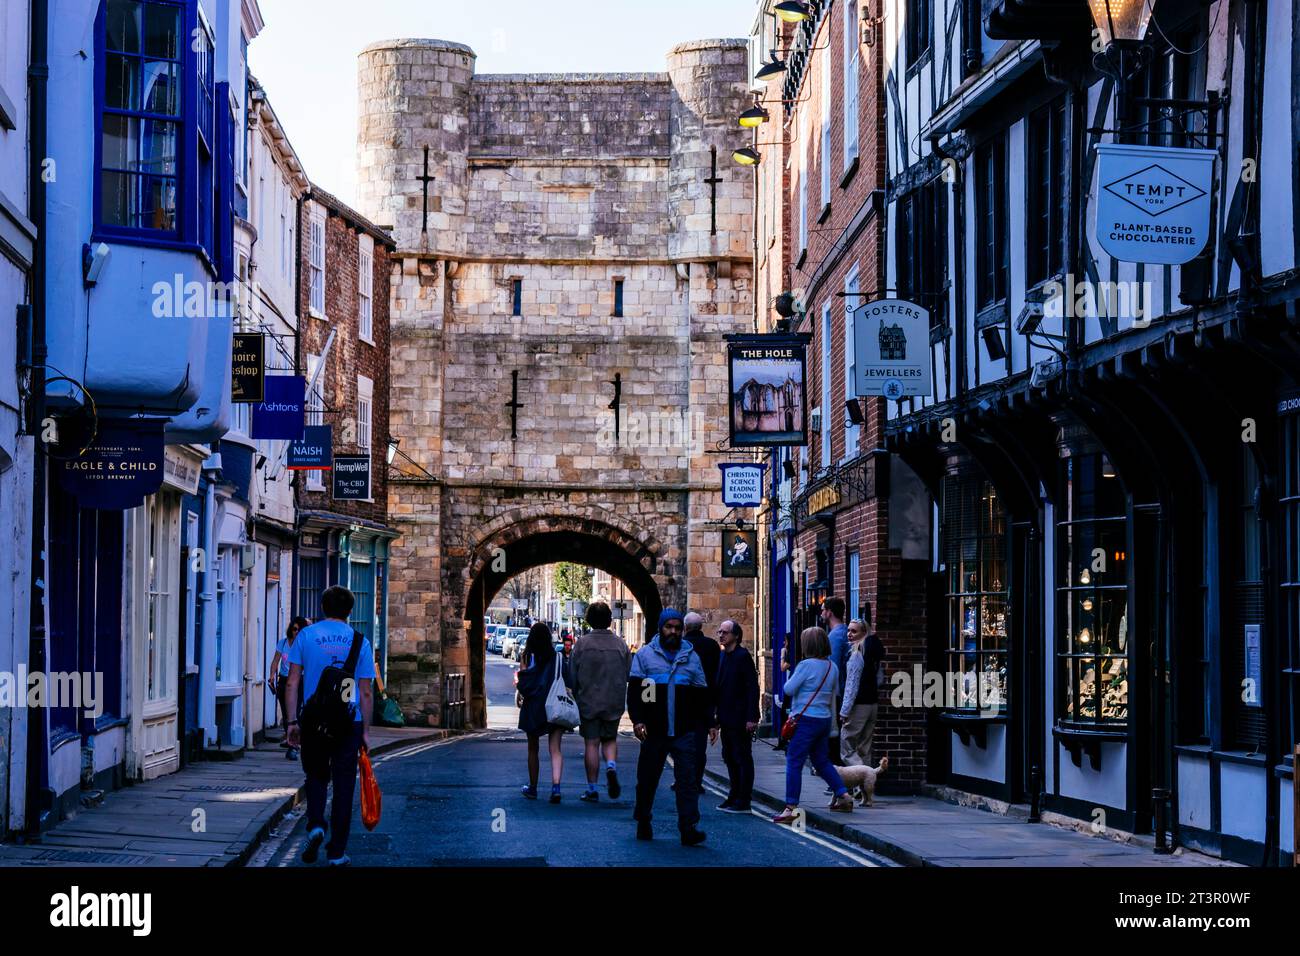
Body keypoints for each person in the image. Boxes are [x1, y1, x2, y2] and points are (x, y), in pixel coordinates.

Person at [285, 588, 375, 866]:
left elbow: (292, 682)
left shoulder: (306, 635)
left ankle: (315, 826)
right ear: (350, 611)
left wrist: (291, 722)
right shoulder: (360, 641)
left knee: (316, 775)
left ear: (323, 607)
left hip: (313, 720)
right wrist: (366, 731)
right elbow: (366, 691)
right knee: (345, 785)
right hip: (349, 722)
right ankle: (336, 853)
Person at [627, 609, 709, 846]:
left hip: (684, 730)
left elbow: (701, 694)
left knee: (687, 781)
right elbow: (637, 694)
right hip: (655, 729)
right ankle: (643, 819)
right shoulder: (645, 657)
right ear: (660, 629)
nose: (673, 631)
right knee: (647, 778)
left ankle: (688, 828)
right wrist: (639, 720)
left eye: (677, 627)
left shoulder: (691, 657)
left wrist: (708, 722)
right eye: (668, 627)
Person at [774, 626, 853, 824]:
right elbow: (835, 693)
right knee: (821, 761)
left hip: (805, 719)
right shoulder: (831, 667)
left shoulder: (805, 665)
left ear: (807, 645)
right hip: (824, 720)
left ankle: (790, 807)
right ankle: (843, 795)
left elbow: (788, 689)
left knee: (794, 761)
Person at [570, 601, 631, 802]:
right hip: (613, 700)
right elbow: (629, 673)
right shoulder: (621, 644)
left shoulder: (581, 644)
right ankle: (611, 766)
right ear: (609, 620)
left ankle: (592, 788)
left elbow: (572, 676)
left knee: (591, 743)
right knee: (610, 739)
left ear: (589, 620)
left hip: (588, 701)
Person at [515, 622, 571, 803]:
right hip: (553, 704)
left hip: (533, 707)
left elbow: (523, 683)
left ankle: (533, 788)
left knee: (533, 748)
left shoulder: (526, 656)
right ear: (549, 638)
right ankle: (556, 787)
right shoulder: (557, 657)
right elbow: (567, 681)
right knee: (555, 749)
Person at [714, 619, 759, 813]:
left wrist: (752, 717)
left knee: (742, 758)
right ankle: (733, 795)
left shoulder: (742, 657)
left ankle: (744, 799)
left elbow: (752, 688)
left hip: (740, 718)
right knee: (730, 757)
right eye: (719, 632)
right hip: (725, 716)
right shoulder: (723, 656)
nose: (721, 635)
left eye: (725, 632)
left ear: (736, 636)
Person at [682, 611, 720, 794]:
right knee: (699, 746)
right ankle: (696, 781)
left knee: (681, 744)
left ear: (685, 628)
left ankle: (682, 779)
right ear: (701, 627)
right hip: (705, 701)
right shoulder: (712, 646)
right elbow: (716, 676)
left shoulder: (681, 646)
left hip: (683, 702)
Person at [840, 618, 885, 767]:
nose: (849, 634)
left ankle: (860, 778)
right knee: (864, 748)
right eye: (848, 630)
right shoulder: (873, 652)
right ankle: (865, 786)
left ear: (864, 632)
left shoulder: (857, 654)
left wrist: (844, 711)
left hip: (858, 705)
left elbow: (851, 685)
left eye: (854, 631)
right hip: (873, 704)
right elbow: (880, 678)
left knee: (847, 746)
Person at [270, 616, 309, 760]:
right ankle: (290, 739)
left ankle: (294, 746)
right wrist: (271, 676)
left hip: (299, 680)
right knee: (287, 714)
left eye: (299, 630)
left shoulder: (305, 645)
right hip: (284, 680)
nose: (296, 632)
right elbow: (275, 661)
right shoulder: (283, 643)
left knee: (295, 713)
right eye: (294, 629)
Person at [821, 597, 849, 766]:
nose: (821, 613)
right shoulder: (843, 632)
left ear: (829, 612)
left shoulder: (835, 637)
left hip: (837, 695)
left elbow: (833, 669)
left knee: (834, 737)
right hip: (842, 694)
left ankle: (837, 778)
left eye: (823, 609)